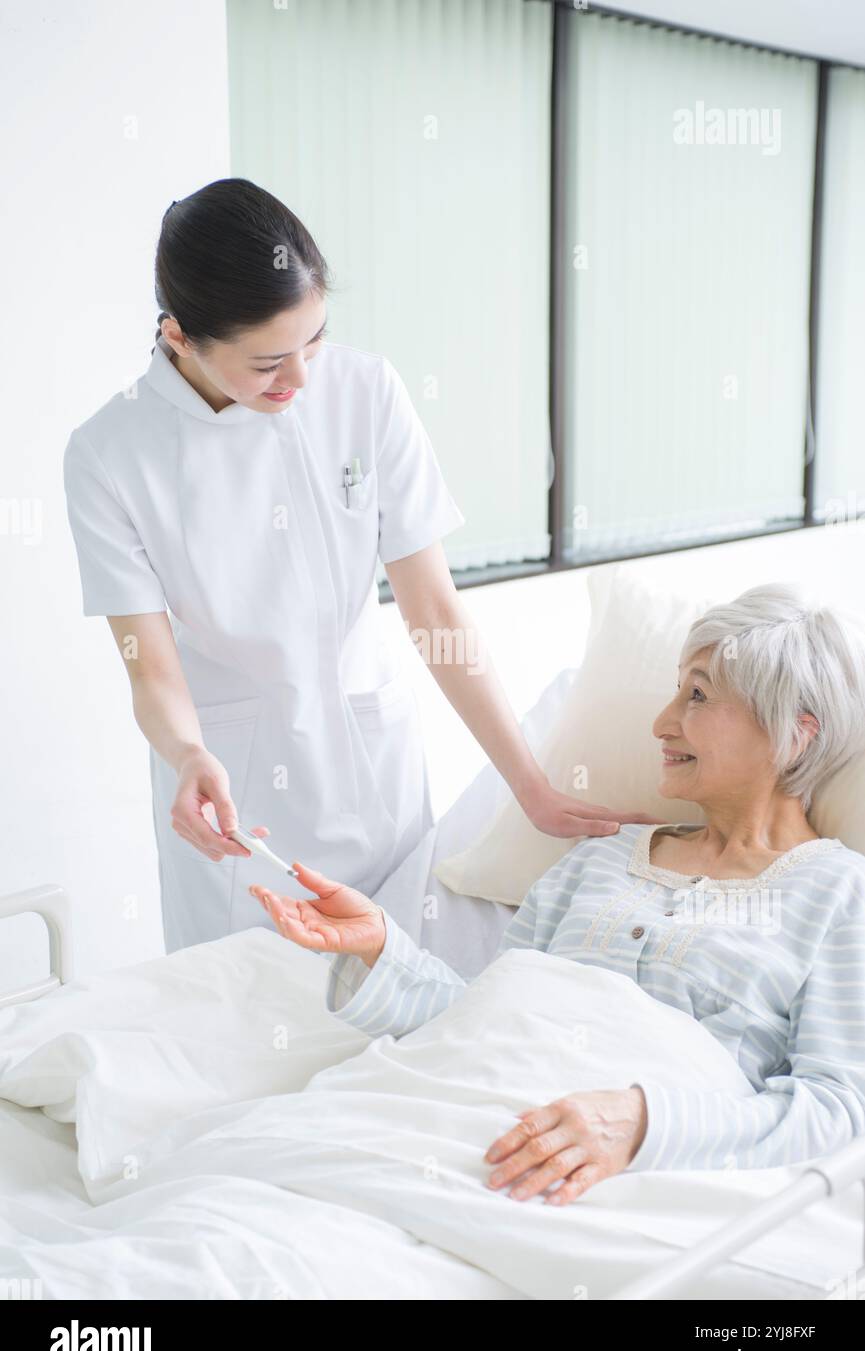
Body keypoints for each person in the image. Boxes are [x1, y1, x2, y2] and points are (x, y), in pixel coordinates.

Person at [63, 177, 644, 952]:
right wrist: (186, 754)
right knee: (240, 1017)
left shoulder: (366, 391)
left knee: (398, 987)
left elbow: (432, 609)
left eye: (315, 340)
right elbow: (150, 666)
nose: (301, 380)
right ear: (178, 339)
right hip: (232, 793)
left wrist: (527, 784)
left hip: (370, 764)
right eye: (268, 363)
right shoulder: (111, 453)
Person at [251, 585, 865, 1201]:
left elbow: (837, 1114)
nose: (661, 722)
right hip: (457, 1108)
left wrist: (643, 1125)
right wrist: (381, 949)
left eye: (698, 695)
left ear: (794, 734)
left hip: (592, 1174)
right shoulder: (600, 856)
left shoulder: (840, 895)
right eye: (677, 689)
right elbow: (487, 1019)